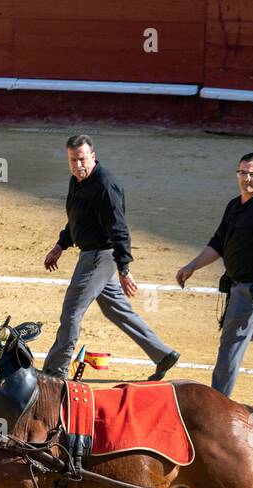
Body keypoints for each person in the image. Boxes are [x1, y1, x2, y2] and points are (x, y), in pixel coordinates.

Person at [42, 134, 180, 380]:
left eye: (83, 159)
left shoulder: (105, 185)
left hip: (98, 257)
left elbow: (119, 230)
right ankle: (163, 354)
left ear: (93, 157)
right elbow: (78, 219)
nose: (78, 165)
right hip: (93, 253)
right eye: (73, 160)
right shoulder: (77, 181)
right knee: (117, 310)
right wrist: (61, 245)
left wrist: (124, 269)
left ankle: (56, 369)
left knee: (72, 312)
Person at [175, 152, 253, 418]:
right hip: (240, 286)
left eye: (252, 173)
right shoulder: (235, 206)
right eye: (242, 173)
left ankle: (214, 408)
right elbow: (218, 244)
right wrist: (192, 266)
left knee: (230, 344)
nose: (246, 178)